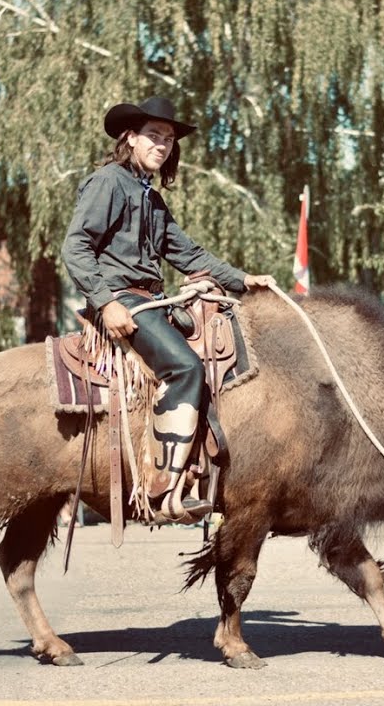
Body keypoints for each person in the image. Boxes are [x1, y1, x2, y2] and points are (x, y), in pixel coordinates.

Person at [62, 95, 276, 522]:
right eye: (154, 136)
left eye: (169, 139)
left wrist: (242, 280)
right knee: (185, 368)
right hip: (122, 301)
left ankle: (204, 474)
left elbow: (189, 254)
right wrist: (106, 303)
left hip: (150, 302)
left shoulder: (152, 200)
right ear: (131, 138)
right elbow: (76, 247)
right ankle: (161, 486)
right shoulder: (108, 182)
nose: (162, 145)